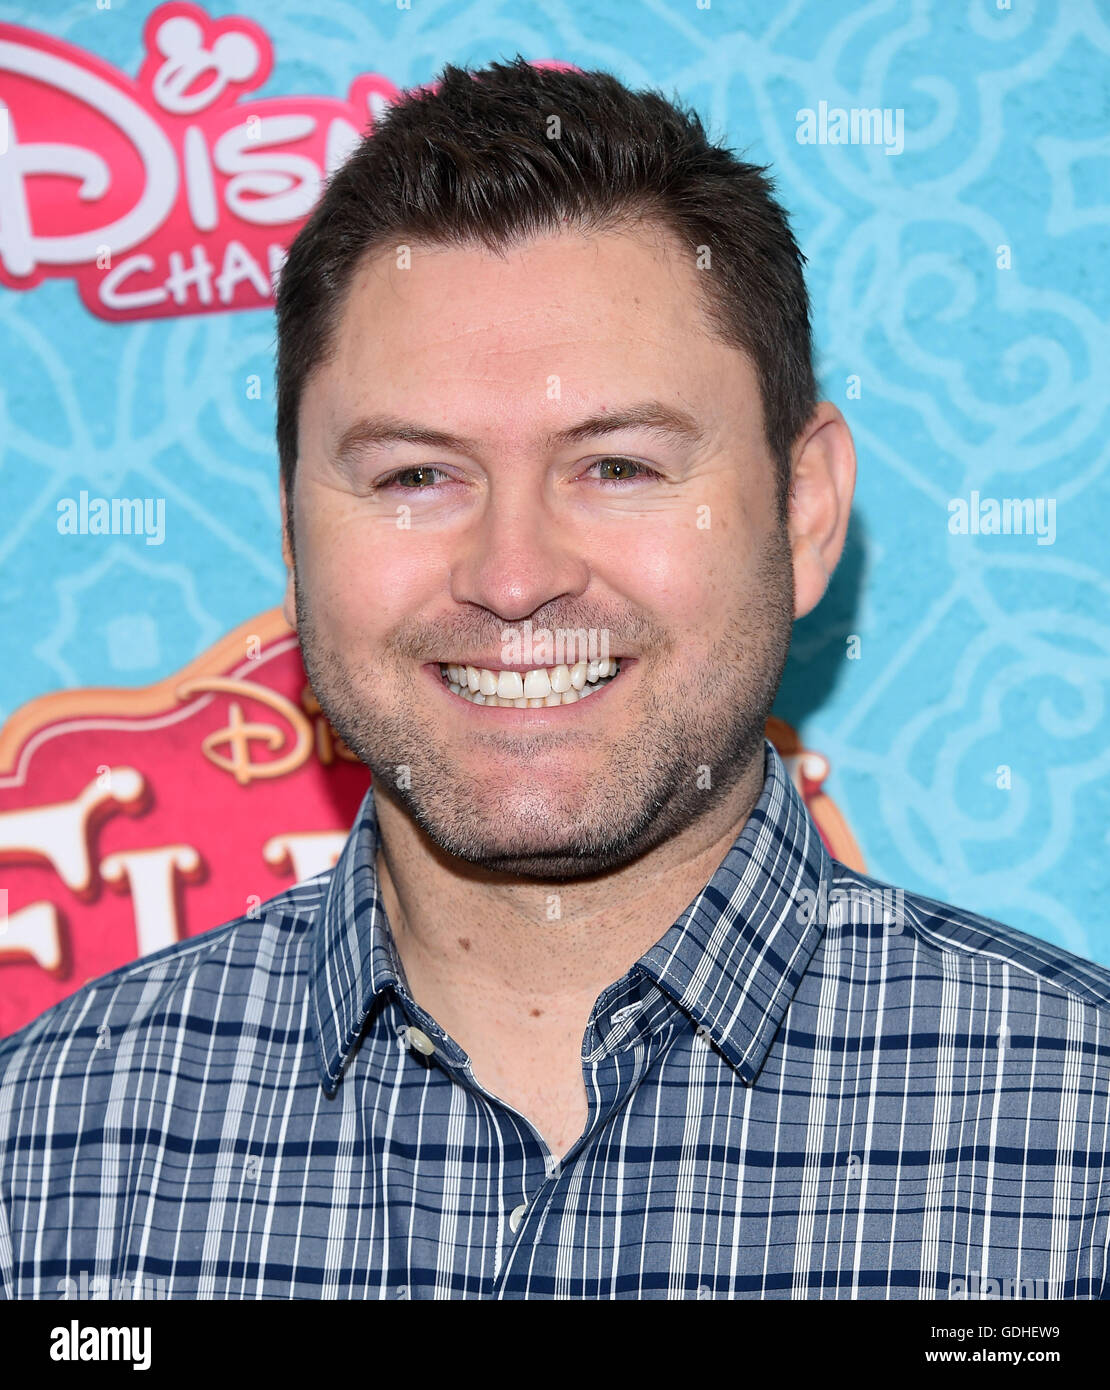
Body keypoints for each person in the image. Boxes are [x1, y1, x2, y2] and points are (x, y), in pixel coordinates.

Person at [2, 57, 1107, 1302]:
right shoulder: (49, 1150)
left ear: (803, 512)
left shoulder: (1081, 1131)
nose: (513, 576)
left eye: (620, 467)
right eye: (418, 475)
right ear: (294, 533)